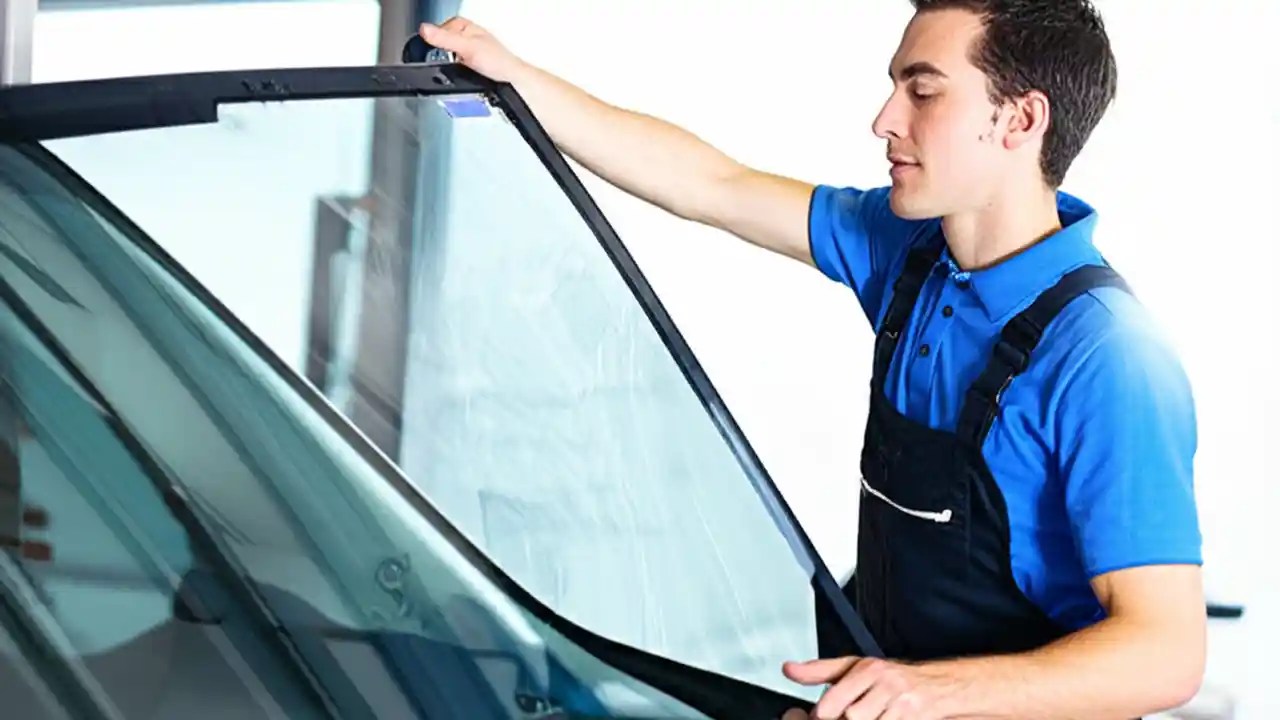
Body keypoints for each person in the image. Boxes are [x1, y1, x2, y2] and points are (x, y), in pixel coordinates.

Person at [418, 1, 1207, 718]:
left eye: (923, 92)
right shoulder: (910, 255)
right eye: (894, 86)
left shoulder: (1107, 359)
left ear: (1020, 120)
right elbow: (710, 183)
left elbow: (1167, 654)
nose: (884, 119)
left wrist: (921, 693)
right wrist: (515, 78)